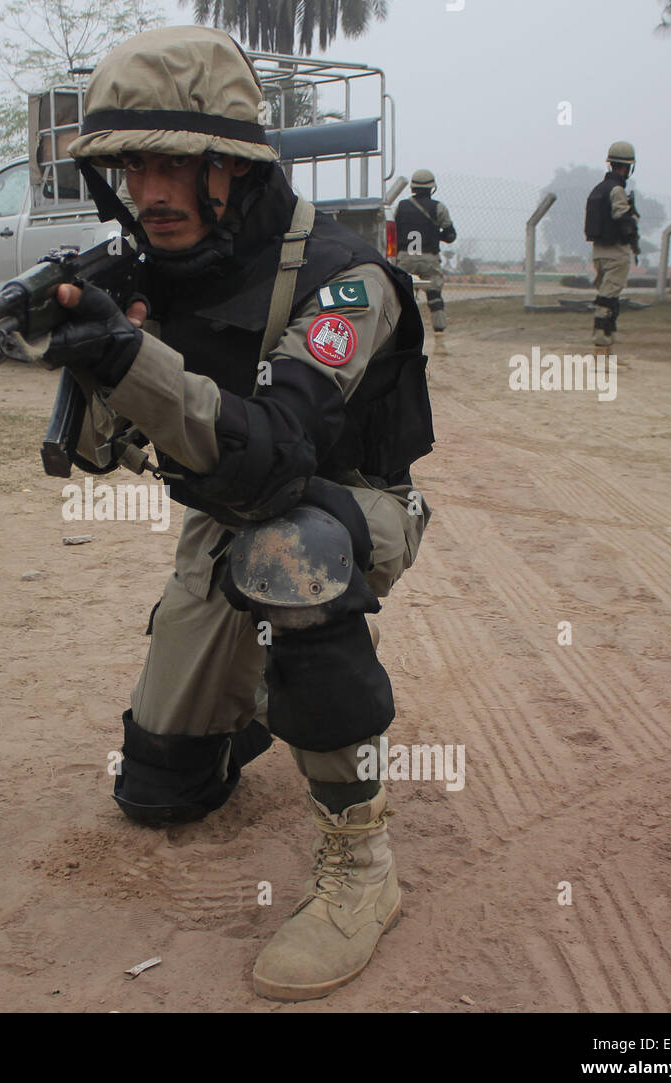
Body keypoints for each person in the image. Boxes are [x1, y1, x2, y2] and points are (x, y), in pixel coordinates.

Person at [43, 26, 434, 1002]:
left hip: (349, 506)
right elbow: (92, 458)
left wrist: (134, 361)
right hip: (227, 516)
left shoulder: (346, 279)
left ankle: (359, 864)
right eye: (136, 163)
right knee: (159, 793)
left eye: (185, 163)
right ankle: (271, 697)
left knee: (288, 552)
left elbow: (279, 453)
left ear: (238, 169)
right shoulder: (153, 275)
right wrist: (100, 357)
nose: (155, 190)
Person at [584, 141, 640, 347]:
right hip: (616, 251)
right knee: (608, 299)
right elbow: (621, 219)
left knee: (608, 297)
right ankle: (602, 337)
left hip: (598, 251)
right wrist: (632, 232)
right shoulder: (617, 190)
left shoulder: (598, 189)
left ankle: (608, 337)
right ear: (627, 167)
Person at [393, 169, 456, 333]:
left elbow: (394, 228)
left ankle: (403, 330)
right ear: (431, 188)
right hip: (429, 257)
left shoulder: (401, 206)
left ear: (413, 188)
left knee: (403, 295)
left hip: (406, 257)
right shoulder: (439, 207)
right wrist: (435, 235)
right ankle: (439, 328)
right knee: (434, 294)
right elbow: (450, 235)